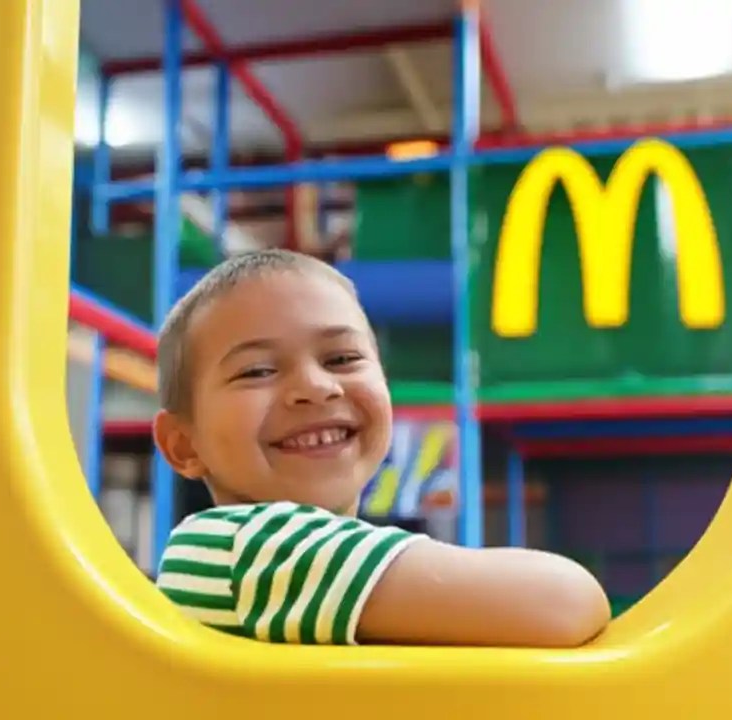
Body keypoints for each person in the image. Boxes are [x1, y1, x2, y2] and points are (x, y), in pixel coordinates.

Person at [151, 249, 611, 647]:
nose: (315, 387)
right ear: (183, 445)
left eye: (342, 358)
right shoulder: (252, 548)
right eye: (256, 371)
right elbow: (565, 602)